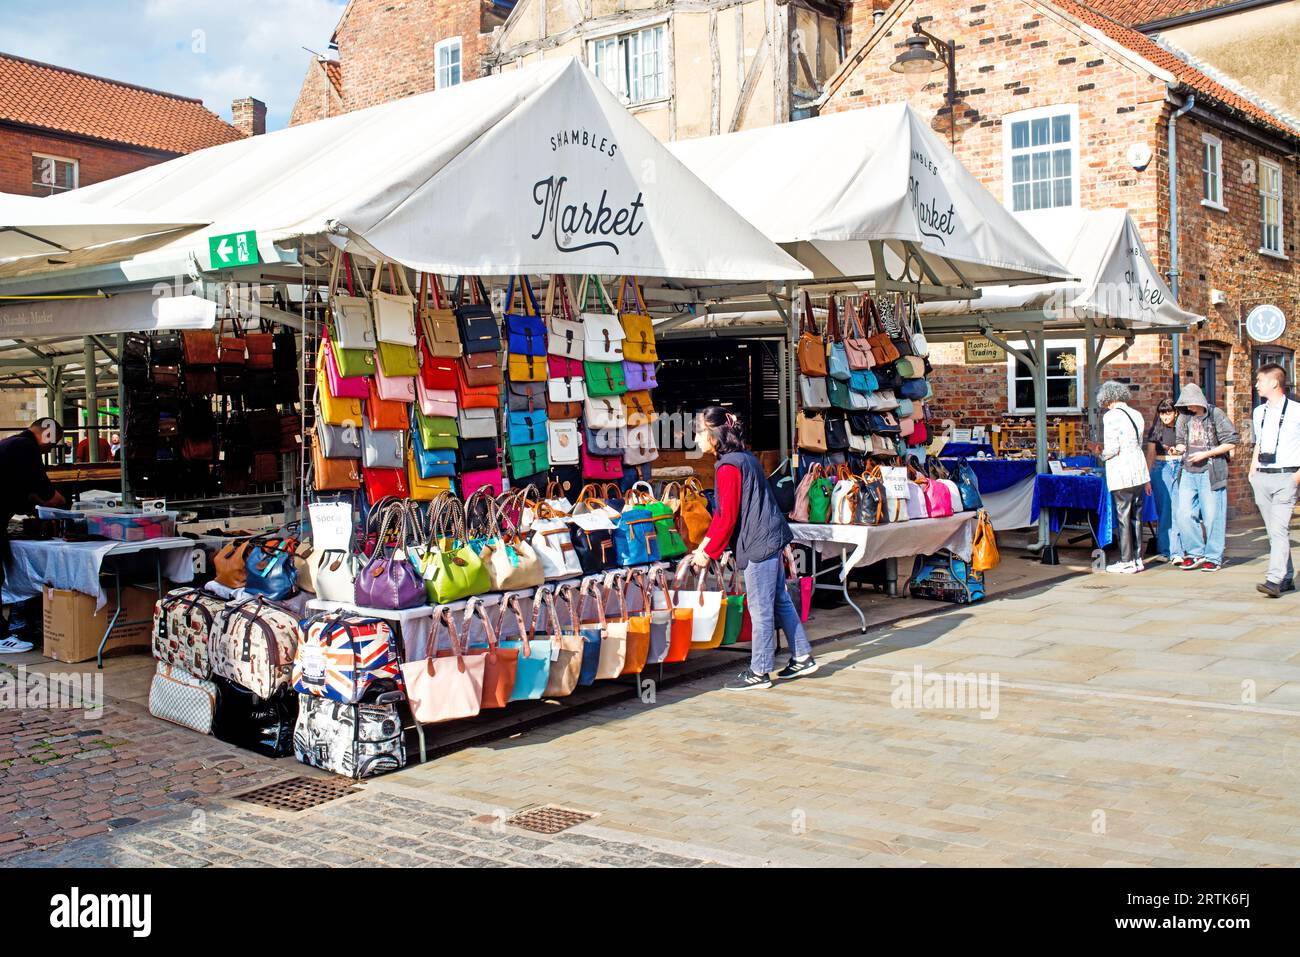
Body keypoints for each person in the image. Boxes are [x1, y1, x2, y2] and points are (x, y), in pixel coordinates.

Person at [689, 406, 816, 690]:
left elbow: (726, 516)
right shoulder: (745, 458)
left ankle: (759, 671)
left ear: (713, 435)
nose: (695, 438)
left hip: (758, 543)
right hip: (770, 538)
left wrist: (706, 552)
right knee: (779, 601)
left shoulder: (728, 467)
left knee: (760, 610)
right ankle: (802, 655)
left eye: (698, 432)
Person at [0, 418, 67, 652]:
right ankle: (1, 638)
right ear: (47, 434)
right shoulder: (25, 448)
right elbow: (47, 494)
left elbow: (28, 493)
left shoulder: (11, 444)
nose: (50, 449)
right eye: (53, 442)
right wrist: (64, 505)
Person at [1170, 382, 1238, 572]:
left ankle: (1213, 557)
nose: (1188, 407)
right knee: (1183, 514)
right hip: (1188, 472)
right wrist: (1179, 449)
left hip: (1211, 471)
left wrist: (1205, 454)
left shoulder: (1216, 415)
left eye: (1190, 403)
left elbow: (1231, 442)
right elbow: (1181, 442)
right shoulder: (1184, 418)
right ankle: (1194, 552)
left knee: (1212, 516)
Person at [1249, 363, 1300, 597]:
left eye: (1259, 380)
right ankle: (1287, 577)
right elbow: (1259, 444)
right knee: (1273, 532)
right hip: (1262, 476)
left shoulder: (1296, 411)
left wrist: (1297, 475)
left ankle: (1273, 580)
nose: (1256, 384)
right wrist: (1252, 472)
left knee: (1278, 530)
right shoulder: (1259, 412)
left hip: (1286, 476)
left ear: (1274, 382)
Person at [1095, 381, 1150, 574]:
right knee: (1136, 516)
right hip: (1138, 469)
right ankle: (1137, 559)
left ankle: (1126, 560)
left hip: (1122, 471)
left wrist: (1099, 453)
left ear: (1108, 397)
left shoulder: (1111, 416)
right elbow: (1137, 442)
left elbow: (1113, 448)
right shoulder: (1136, 414)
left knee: (1123, 516)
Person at [1144, 398, 1183, 563]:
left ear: (1175, 412)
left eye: (1168, 412)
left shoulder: (1182, 428)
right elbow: (1151, 454)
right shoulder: (1155, 430)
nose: (1165, 416)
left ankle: (1178, 551)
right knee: (1164, 511)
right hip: (1161, 468)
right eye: (1162, 413)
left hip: (1180, 466)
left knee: (1180, 510)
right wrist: (1146, 478)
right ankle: (1166, 550)